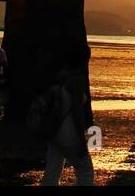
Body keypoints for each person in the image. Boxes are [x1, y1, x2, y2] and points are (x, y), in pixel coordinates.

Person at [41, 43, 96, 186]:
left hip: (54, 129)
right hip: (68, 132)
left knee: (52, 173)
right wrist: (82, 140)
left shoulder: (60, 77)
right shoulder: (77, 80)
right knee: (85, 172)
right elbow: (77, 112)